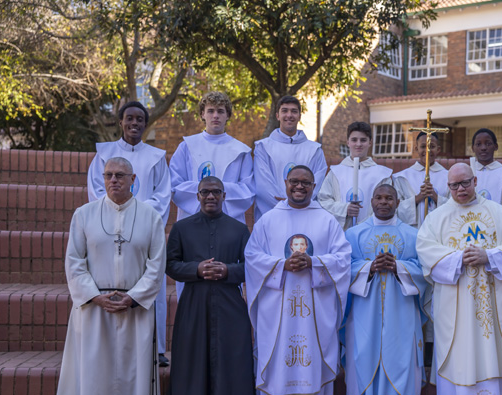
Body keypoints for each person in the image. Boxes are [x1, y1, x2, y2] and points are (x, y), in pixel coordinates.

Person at [54, 157, 166, 395]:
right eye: (108, 175)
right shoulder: (84, 214)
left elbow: (156, 266)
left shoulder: (150, 217)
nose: (113, 180)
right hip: (95, 308)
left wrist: (134, 297)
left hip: (135, 307)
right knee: (94, 370)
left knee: (134, 371)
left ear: (133, 179)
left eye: (120, 175)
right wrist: (94, 296)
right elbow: (74, 261)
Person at [416, 163, 502, 395]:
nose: (460, 189)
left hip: (492, 304)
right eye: (454, 185)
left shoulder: (499, 213)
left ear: (475, 180)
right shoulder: (437, 217)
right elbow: (425, 251)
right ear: (447, 187)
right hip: (455, 307)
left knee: (496, 356)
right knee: (456, 358)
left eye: (465, 183)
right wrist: (459, 259)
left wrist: (487, 256)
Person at [245, 165, 351, 395]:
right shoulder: (268, 221)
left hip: (313, 312)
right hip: (277, 311)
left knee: (311, 360)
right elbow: (252, 258)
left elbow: (343, 259)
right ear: (286, 183)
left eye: (306, 182)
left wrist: (313, 262)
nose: (300, 187)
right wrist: (282, 265)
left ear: (314, 185)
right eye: (295, 181)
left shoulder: (326, 220)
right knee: (277, 360)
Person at [164, 176, 256, 395]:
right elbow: (170, 265)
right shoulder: (181, 228)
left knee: (232, 366)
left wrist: (229, 271)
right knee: (193, 366)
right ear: (198, 196)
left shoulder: (240, 229)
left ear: (224, 195)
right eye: (205, 192)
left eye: (216, 192)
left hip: (230, 305)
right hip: (194, 304)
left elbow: (252, 266)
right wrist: (197, 269)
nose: (211, 197)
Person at [343, 183, 428, 395]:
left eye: (389, 198)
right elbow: (344, 267)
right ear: (371, 201)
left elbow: (424, 270)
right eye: (378, 198)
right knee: (362, 360)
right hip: (364, 312)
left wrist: (399, 267)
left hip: (400, 311)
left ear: (398, 201)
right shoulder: (354, 234)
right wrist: (369, 267)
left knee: (400, 360)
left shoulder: (413, 234)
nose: (383, 202)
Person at [86, 101, 171, 367]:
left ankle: (156, 347)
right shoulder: (104, 154)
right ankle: (109, 341)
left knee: (151, 283)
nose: (134, 124)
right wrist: (119, 213)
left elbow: (163, 195)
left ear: (146, 124)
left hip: (145, 229)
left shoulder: (156, 157)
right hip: (110, 228)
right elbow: (97, 192)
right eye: (129, 119)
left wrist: (138, 214)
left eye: (140, 120)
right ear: (120, 122)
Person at [169, 91, 255, 224]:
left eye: (220, 111)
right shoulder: (186, 146)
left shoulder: (241, 151)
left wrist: (207, 192)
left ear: (228, 115)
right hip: (193, 221)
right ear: (202, 114)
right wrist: (215, 192)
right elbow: (175, 185)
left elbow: (248, 191)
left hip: (229, 222)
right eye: (210, 111)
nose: (215, 116)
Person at [318, 121, 410, 230]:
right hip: (341, 232)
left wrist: (365, 225)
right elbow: (323, 200)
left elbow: (388, 205)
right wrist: (344, 209)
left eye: (363, 140)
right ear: (348, 142)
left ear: (370, 142)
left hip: (371, 231)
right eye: (354, 140)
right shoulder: (336, 172)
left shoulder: (381, 174)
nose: (358, 144)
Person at [253, 95, 328, 221]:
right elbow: (263, 185)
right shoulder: (263, 147)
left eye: (294, 111)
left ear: (299, 116)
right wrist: (286, 206)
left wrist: (299, 204)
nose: (289, 115)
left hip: (305, 214)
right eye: (285, 111)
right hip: (273, 214)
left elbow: (318, 183)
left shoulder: (314, 150)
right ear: (277, 116)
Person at [394, 132, 449, 228]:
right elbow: (395, 210)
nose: (427, 150)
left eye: (432, 146)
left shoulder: (449, 176)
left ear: (438, 149)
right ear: (416, 149)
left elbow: (455, 207)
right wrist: (417, 198)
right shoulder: (402, 177)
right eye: (423, 146)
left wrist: (436, 198)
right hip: (413, 231)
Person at [469, 128, 502, 210]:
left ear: (496, 146)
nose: (483, 148)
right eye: (478, 144)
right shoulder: (467, 173)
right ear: (473, 148)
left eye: (488, 144)